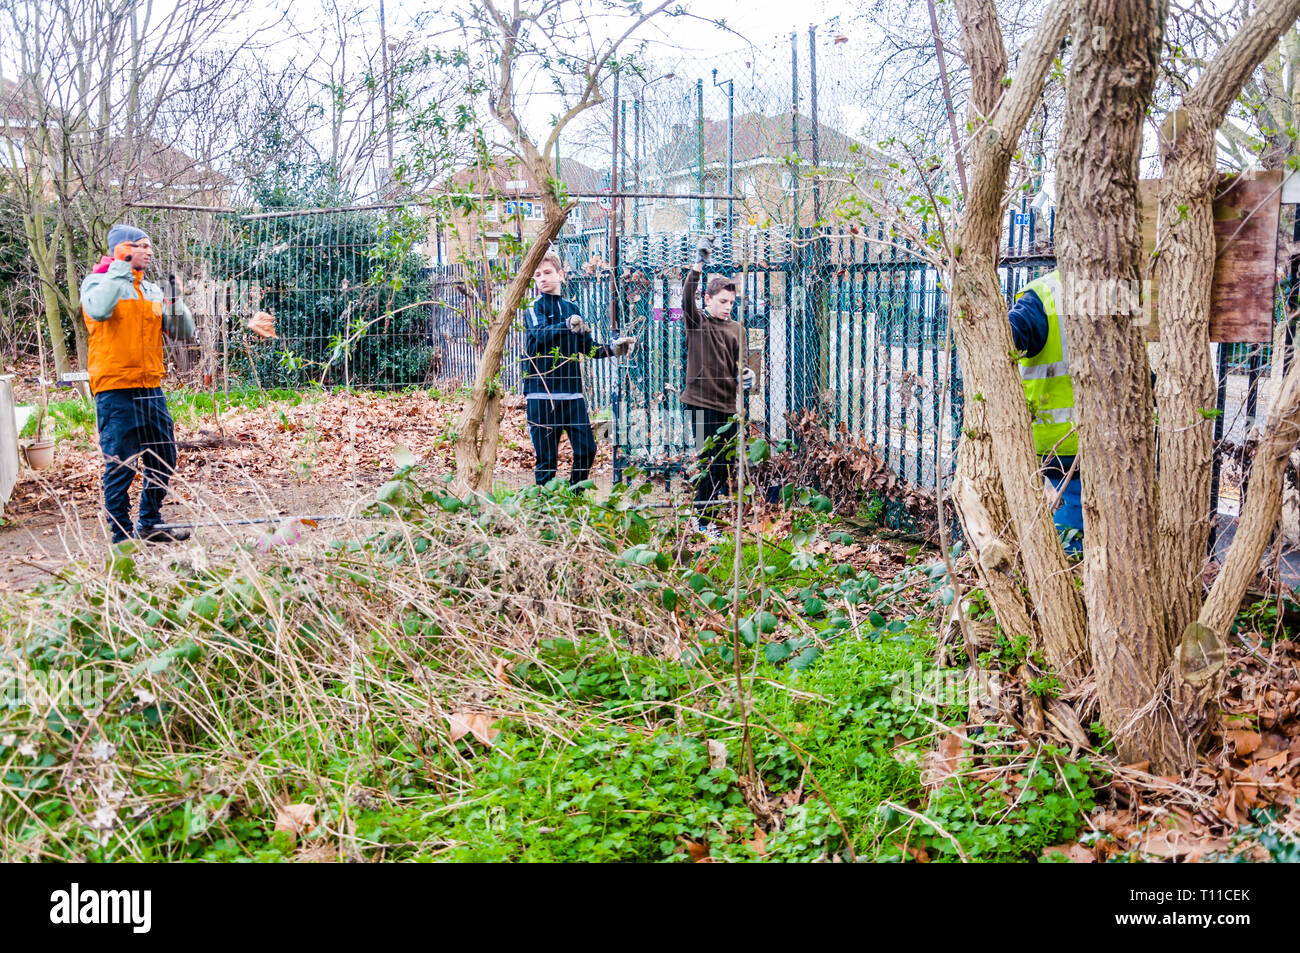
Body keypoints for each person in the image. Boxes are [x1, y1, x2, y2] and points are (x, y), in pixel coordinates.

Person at [81, 224, 197, 544]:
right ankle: (122, 538)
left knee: (164, 458)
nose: (149, 251)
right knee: (121, 466)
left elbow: (183, 332)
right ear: (124, 249)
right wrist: (119, 268)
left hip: (150, 388)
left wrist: (175, 300)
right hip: (115, 389)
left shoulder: (151, 290)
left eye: (150, 246)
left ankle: (150, 522)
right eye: (142, 245)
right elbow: (99, 309)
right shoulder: (97, 283)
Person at [521, 249, 635, 487]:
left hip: (572, 396)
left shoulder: (573, 309)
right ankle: (546, 513)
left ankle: (574, 498)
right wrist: (566, 325)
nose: (542, 278)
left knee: (587, 451)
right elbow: (540, 335)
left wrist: (614, 349)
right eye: (538, 274)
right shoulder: (534, 308)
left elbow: (588, 348)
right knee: (547, 461)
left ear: (561, 274)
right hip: (542, 396)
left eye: (548, 272)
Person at [683, 237, 753, 540]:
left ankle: (706, 517)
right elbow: (686, 297)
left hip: (727, 406)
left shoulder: (737, 329)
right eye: (722, 302)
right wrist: (698, 265)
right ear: (708, 299)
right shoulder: (697, 322)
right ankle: (701, 521)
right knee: (708, 460)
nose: (727, 307)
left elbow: (745, 367)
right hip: (698, 403)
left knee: (723, 466)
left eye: (731, 303)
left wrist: (748, 377)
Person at [1008, 269, 1082, 553]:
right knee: (1073, 533)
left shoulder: (1045, 292)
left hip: (1051, 439)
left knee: (1065, 528)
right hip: (1075, 445)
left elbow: (1012, 334)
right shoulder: (1117, 288)